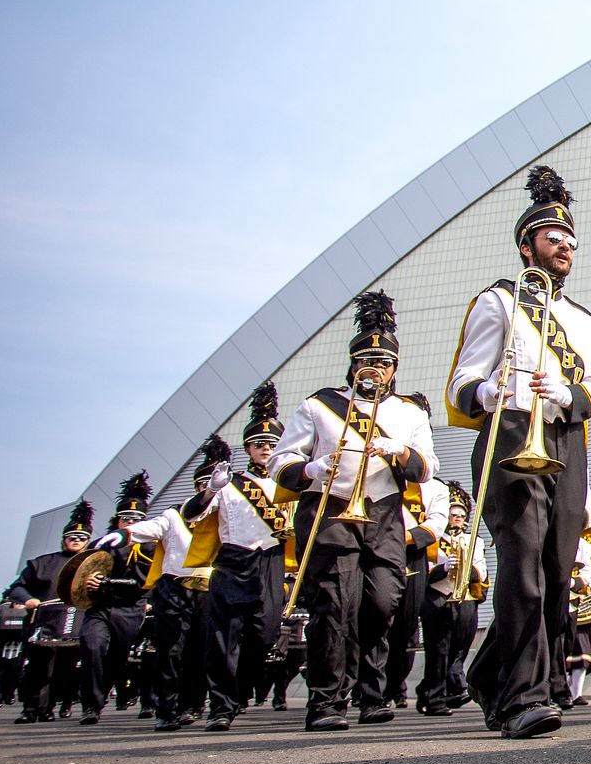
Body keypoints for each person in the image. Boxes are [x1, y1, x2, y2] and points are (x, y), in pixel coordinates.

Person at [447, 165, 591, 740]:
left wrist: (568, 394)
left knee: (557, 575)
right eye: (552, 238)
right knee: (522, 569)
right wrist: (489, 392)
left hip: (564, 436)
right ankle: (524, 698)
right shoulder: (498, 302)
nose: (564, 247)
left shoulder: (584, 320)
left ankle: (489, 672)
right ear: (526, 246)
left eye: (570, 241)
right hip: (511, 432)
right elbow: (461, 384)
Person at [268, 290, 438, 731]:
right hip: (330, 513)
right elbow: (279, 462)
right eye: (366, 360)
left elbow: (426, 468)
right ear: (352, 363)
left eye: (383, 362)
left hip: (383, 515)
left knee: (382, 602)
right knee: (334, 605)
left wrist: (399, 451)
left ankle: (367, 688)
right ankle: (327, 700)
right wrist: (311, 469)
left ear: (395, 368)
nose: (374, 368)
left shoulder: (409, 413)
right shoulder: (319, 406)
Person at [184, 384, 291, 730]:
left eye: (272, 443)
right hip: (232, 561)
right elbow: (192, 514)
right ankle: (221, 706)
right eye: (259, 444)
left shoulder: (290, 484)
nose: (265, 448)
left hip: (271, 560)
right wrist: (211, 489)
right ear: (248, 448)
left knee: (265, 634)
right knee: (223, 637)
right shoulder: (229, 484)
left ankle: (239, 691)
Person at [125, 448, 220, 731]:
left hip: (208, 590)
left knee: (201, 649)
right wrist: (124, 534)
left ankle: (192, 704)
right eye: (203, 485)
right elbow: (149, 529)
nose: (208, 492)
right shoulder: (174, 515)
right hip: (176, 587)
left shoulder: (224, 518)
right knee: (171, 649)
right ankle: (166, 708)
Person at [73, 475, 156, 725]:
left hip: (130, 609)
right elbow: (79, 573)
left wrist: (106, 583)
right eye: (126, 518)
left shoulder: (149, 547)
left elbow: (142, 583)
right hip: (100, 607)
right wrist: (85, 582)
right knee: (92, 646)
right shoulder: (101, 544)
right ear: (117, 519)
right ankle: (91, 705)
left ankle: (106, 695)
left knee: (117, 658)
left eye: (137, 519)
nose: (130, 522)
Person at [368, 475, 449, 713]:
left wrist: (397, 536)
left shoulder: (435, 487)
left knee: (406, 624)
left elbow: (436, 524)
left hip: (413, 553)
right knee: (377, 616)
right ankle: (372, 690)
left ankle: (392, 684)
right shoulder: (378, 476)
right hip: (376, 549)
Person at [8, 503, 91, 723]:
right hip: (43, 625)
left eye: (82, 537)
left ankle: (48, 707)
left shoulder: (93, 565)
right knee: (38, 668)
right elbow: (17, 588)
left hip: (74, 626)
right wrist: (28, 600)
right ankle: (29, 709)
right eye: (72, 537)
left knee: (64, 670)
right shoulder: (42, 563)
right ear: (64, 539)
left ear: (88, 541)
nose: (76, 540)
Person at [419, 482, 485, 715]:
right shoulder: (434, 539)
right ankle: (435, 697)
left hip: (464, 598)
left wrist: (467, 568)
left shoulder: (474, 541)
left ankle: (449, 689)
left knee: (460, 647)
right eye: (453, 513)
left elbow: (482, 572)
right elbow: (425, 572)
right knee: (438, 649)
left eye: (461, 514)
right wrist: (444, 567)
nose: (457, 518)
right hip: (437, 596)